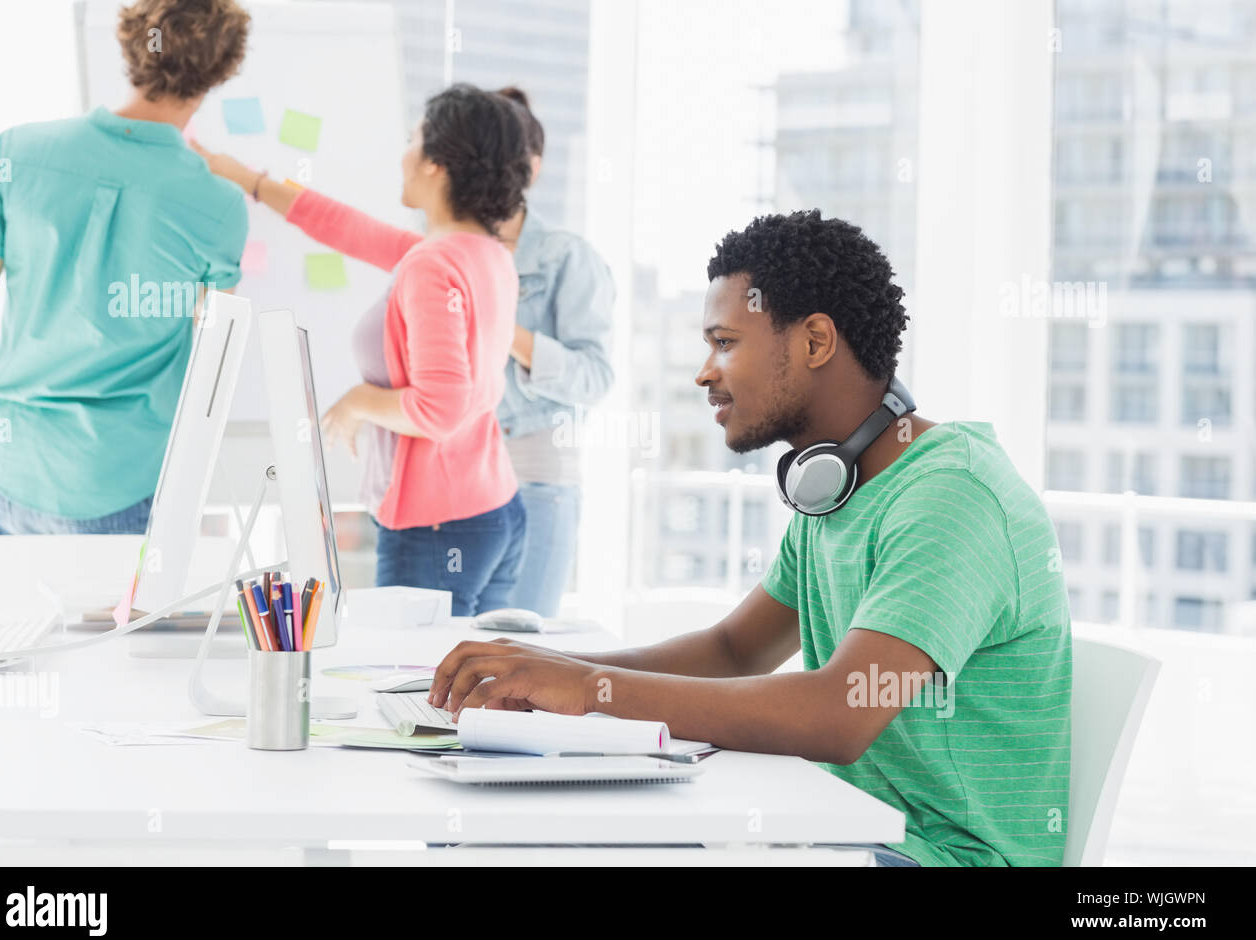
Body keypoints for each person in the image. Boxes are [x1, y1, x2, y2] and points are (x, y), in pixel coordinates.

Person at [424, 210, 1073, 867]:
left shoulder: (951, 496)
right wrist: (551, 677)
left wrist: (594, 689)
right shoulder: (839, 490)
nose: (705, 373)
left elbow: (839, 714)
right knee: (512, 825)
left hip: (936, 857)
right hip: (837, 833)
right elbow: (735, 651)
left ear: (816, 342)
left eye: (726, 342)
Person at [192, 84, 530, 615]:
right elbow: (348, 229)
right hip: (494, 512)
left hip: (437, 527)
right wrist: (246, 179)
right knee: (471, 689)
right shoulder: (481, 254)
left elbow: (441, 408)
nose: (404, 155)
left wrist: (355, 402)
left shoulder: (431, 263)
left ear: (437, 166)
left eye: (414, 141)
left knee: (411, 688)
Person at [0, 0, 251, 534]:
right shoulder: (220, 205)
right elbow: (217, 349)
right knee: (125, 624)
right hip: (127, 480)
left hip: (17, 469)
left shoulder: (16, 153)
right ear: (218, 72)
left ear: (132, 47)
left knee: (19, 621)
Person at [491, 87, 615, 617]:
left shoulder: (567, 257)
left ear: (531, 168)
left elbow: (596, 376)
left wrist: (505, 331)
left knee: (513, 658)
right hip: (459, 481)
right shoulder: (444, 254)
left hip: (537, 480)